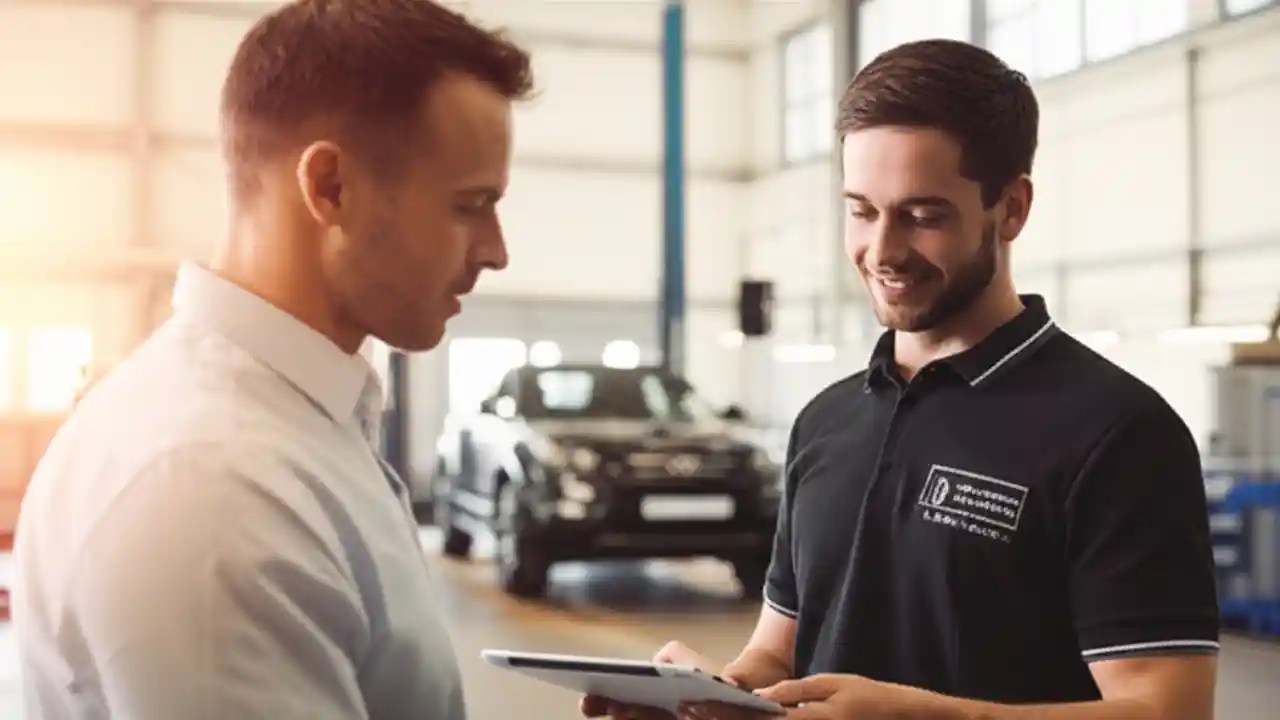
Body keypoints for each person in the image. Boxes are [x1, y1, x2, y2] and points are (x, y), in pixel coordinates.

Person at [584, 39, 1219, 720]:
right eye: (861, 210)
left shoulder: (1118, 432)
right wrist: (709, 701)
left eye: (923, 216)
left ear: (1010, 208)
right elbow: (779, 655)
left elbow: (1167, 709)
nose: (882, 251)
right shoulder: (826, 421)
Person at [14, 1, 531, 718]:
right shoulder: (214, 492)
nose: (495, 251)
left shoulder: (287, 426)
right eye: (471, 204)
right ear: (330, 188)